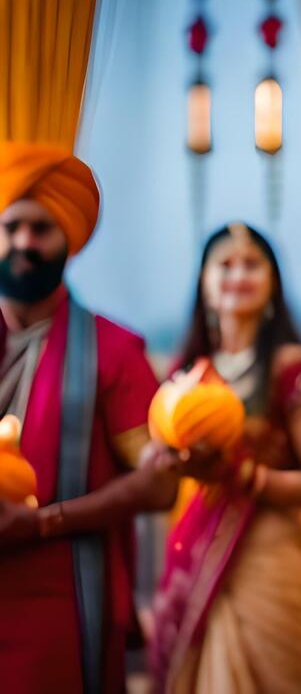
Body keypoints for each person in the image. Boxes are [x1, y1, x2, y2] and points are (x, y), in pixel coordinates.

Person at [0, 142, 182, 693]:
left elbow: (160, 486)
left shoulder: (114, 349)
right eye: (11, 229)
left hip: (60, 600)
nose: (23, 244)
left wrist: (44, 521)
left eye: (41, 229)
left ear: (69, 241)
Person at [150, 223, 301, 693]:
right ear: (204, 284)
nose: (238, 275)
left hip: (270, 560)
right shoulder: (187, 375)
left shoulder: (293, 371)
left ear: (273, 281)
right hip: (195, 548)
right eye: (225, 265)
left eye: (252, 264)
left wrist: (241, 475)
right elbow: (162, 482)